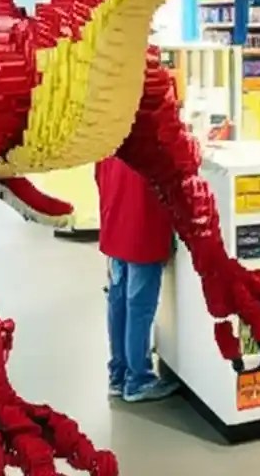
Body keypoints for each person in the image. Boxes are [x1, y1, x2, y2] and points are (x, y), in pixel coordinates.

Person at [96, 156, 179, 402]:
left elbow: (98, 177)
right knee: (140, 307)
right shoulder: (153, 138)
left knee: (118, 301)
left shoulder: (109, 134)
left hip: (115, 224)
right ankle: (138, 380)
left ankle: (118, 374)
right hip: (144, 228)